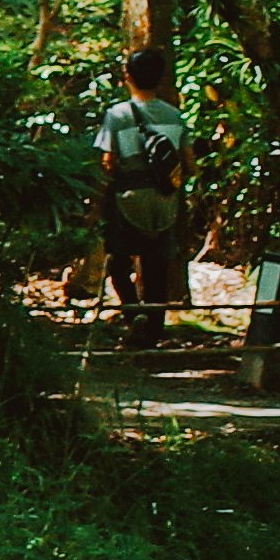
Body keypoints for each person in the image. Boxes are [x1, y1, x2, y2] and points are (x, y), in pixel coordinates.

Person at [93, 45, 190, 347]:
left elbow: (108, 162)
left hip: (128, 198)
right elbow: (189, 163)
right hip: (165, 201)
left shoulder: (117, 114)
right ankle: (152, 332)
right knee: (157, 265)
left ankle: (133, 313)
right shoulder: (175, 115)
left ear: (127, 76)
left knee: (119, 262)